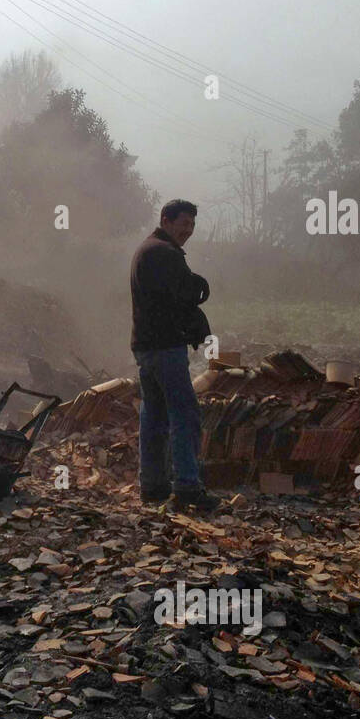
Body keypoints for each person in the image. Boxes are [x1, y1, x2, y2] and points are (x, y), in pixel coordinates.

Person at [130, 199, 220, 511]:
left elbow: (172, 294)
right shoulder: (164, 253)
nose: (189, 231)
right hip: (165, 347)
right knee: (185, 414)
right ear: (166, 220)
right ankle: (187, 486)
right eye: (184, 224)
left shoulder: (149, 249)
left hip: (147, 346)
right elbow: (181, 296)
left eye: (192, 226)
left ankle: (153, 487)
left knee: (154, 417)